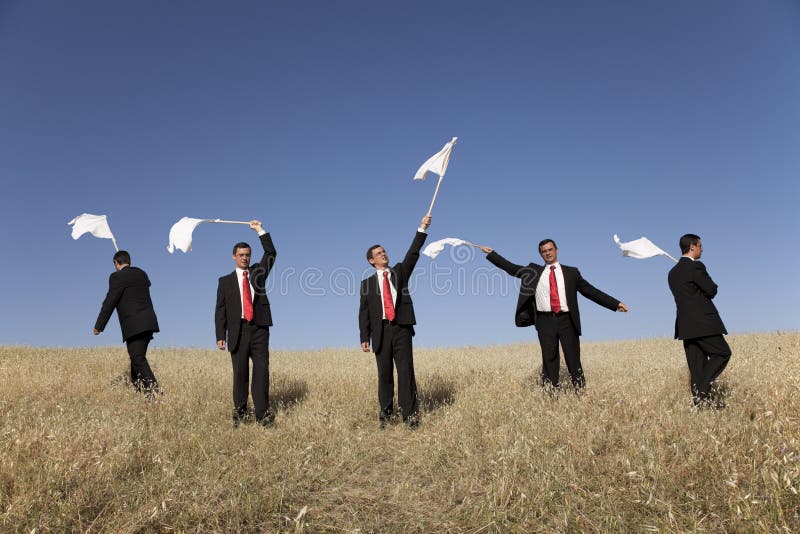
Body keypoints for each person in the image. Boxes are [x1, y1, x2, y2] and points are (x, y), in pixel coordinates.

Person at [480, 239, 628, 392]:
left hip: (567, 320)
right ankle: (551, 397)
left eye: (550, 249)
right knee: (549, 359)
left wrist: (615, 304)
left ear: (556, 250)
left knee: (573, 359)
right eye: (544, 251)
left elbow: (591, 291)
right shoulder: (534, 272)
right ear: (540, 254)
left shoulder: (572, 273)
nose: (547, 253)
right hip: (545, 321)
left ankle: (581, 393)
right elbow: (511, 268)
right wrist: (492, 254)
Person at [359, 214, 431, 429]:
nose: (384, 254)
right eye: (379, 253)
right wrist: (365, 337)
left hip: (401, 328)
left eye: (385, 251)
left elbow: (413, 254)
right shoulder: (367, 284)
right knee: (384, 374)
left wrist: (421, 229)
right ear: (372, 260)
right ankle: (386, 414)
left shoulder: (399, 272)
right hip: (380, 331)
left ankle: (410, 416)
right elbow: (363, 312)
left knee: (406, 371)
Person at [215, 220, 277, 428]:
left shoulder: (258, 272)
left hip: (259, 328)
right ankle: (240, 415)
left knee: (261, 372)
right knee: (240, 374)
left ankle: (263, 416)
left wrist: (260, 231)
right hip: (237, 331)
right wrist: (220, 335)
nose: (244, 258)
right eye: (241, 255)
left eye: (247, 255)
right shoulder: (224, 281)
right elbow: (220, 309)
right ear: (234, 256)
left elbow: (271, 253)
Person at [668, 234, 731, 408]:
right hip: (705, 324)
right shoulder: (696, 267)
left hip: (686, 326)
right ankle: (703, 389)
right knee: (722, 353)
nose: (702, 249)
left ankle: (701, 405)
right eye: (701, 246)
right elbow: (711, 290)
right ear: (693, 246)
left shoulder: (672, 273)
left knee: (696, 367)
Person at [93, 250, 161, 395]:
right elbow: (147, 284)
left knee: (137, 358)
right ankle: (140, 394)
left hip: (133, 325)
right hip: (149, 322)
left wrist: (99, 326)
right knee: (136, 360)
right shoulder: (141, 274)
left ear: (116, 263)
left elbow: (109, 302)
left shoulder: (116, 277)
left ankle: (156, 394)